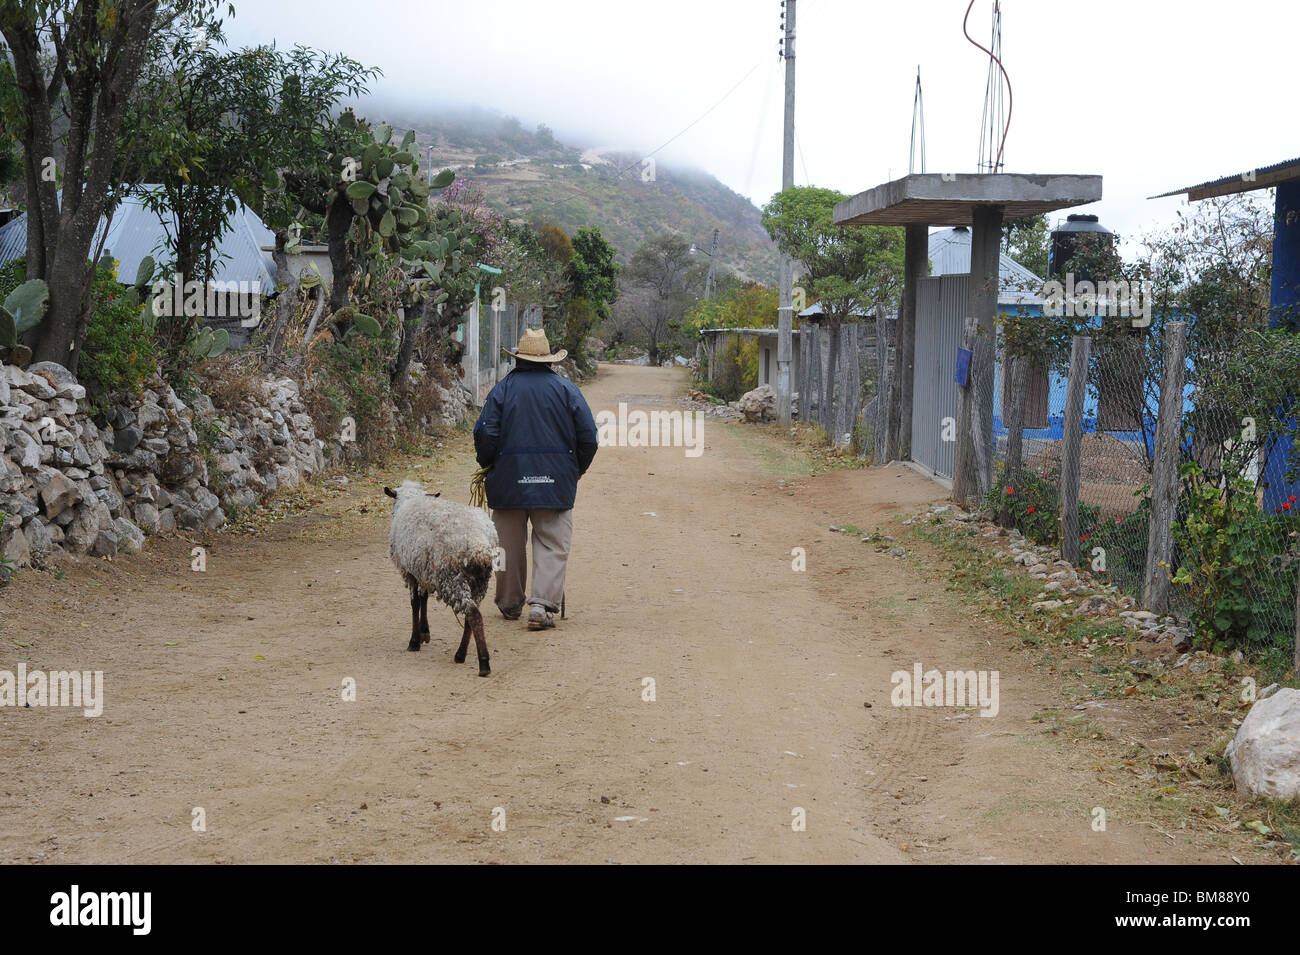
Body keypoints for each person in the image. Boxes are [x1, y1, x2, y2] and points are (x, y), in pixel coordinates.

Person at [472, 327, 599, 630]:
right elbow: (589, 438)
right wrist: (575, 470)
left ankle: (509, 603)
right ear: (549, 361)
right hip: (555, 483)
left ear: (518, 359)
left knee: (506, 545)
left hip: (508, 483)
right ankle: (541, 605)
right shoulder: (567, 390)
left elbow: (485, 434)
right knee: (552, 542)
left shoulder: (502, 389)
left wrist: (490, 465)